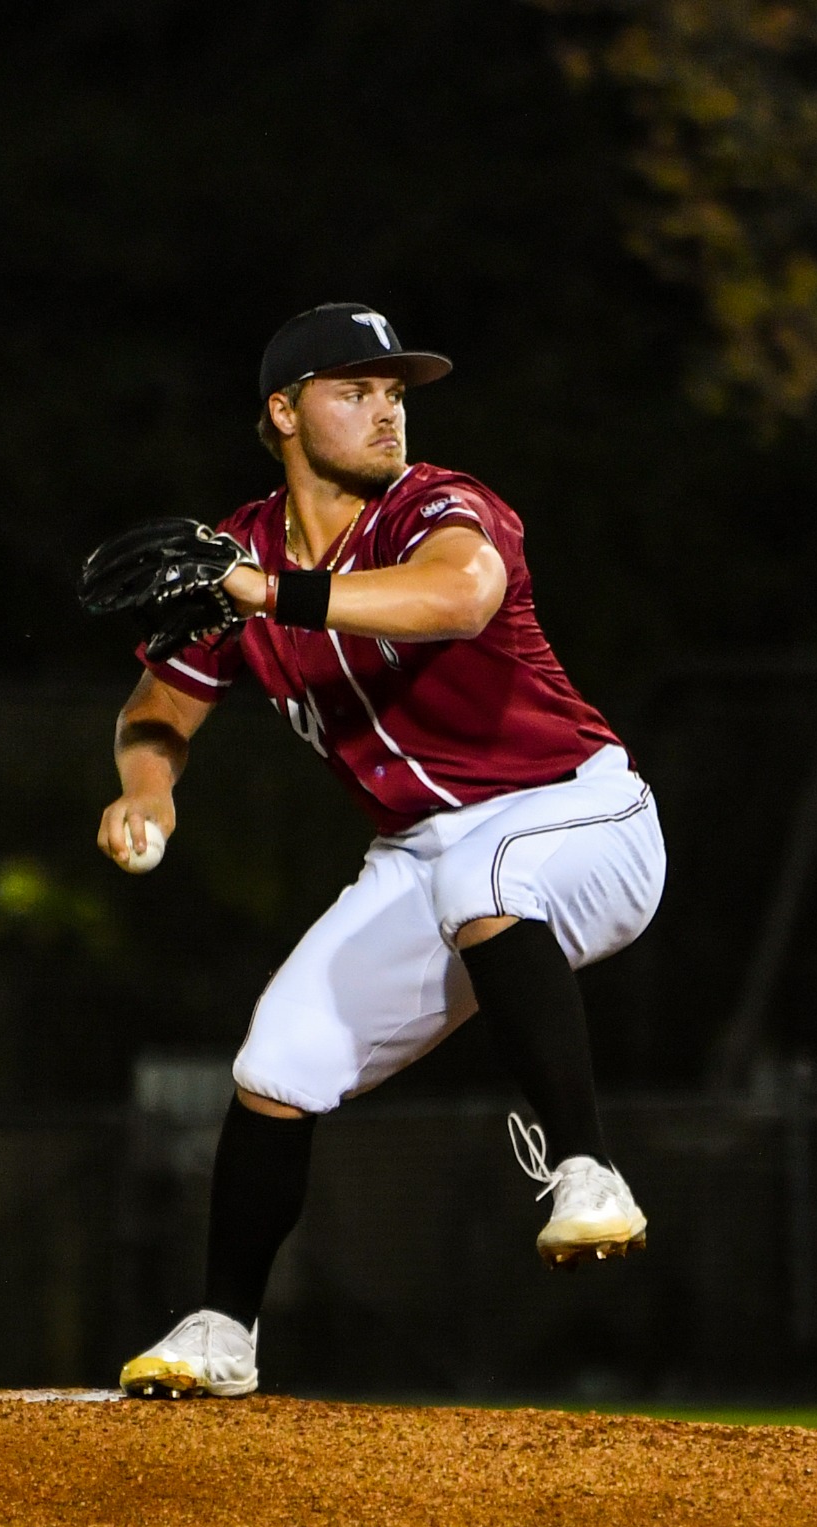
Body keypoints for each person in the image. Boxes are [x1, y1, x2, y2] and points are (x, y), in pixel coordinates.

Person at [104, 303, 667, 1398]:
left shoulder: (437, 506)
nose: (383, 413)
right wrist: (145, 792)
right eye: (352, 390)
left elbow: (461, 595)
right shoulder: (244, 552)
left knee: (482, 872)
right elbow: (159, 703)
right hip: (420, 856)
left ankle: (587, 1167)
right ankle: (223, 1329)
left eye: (393, 393)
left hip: (581, 815)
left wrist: (270, 595)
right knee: (280, 1056)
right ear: (282, 411)